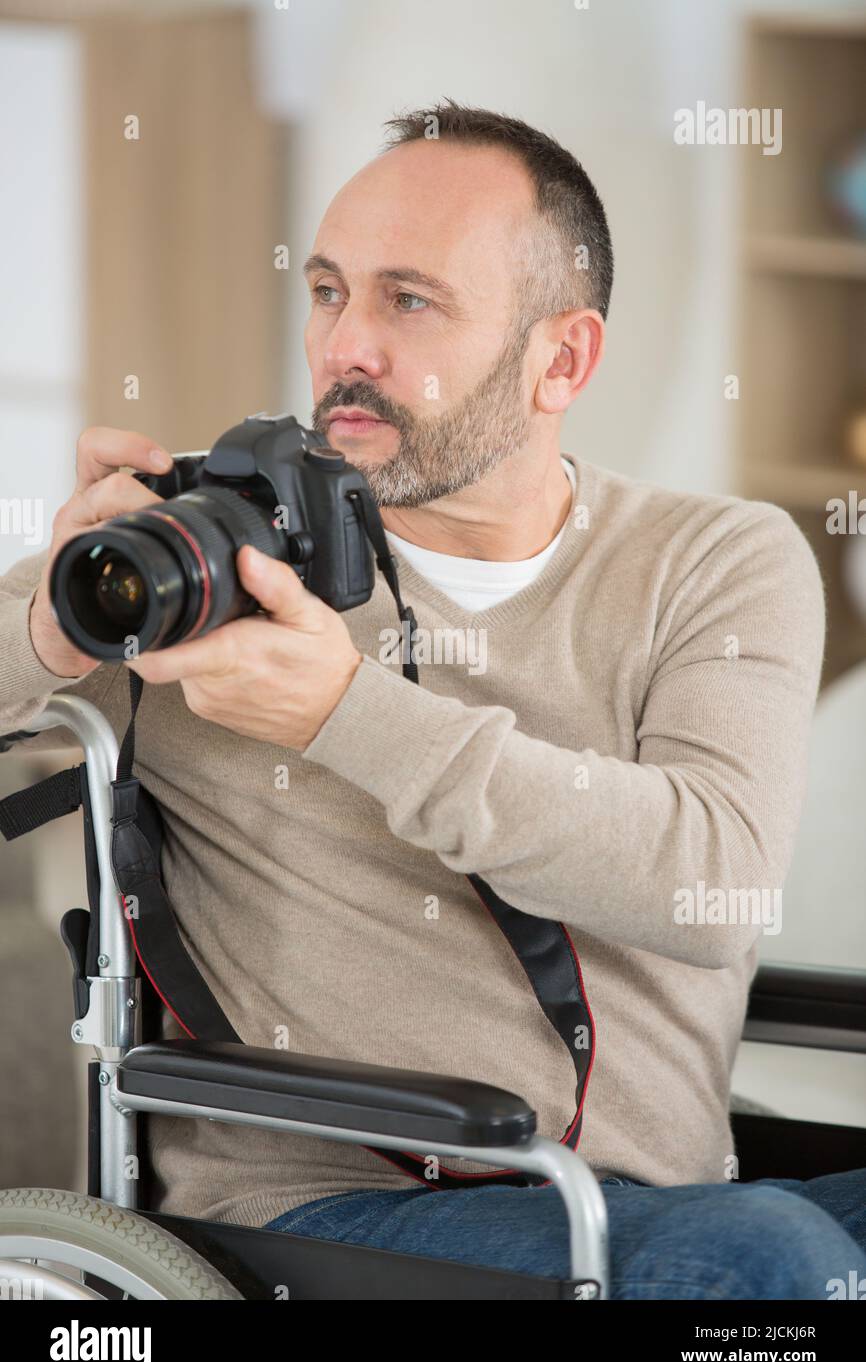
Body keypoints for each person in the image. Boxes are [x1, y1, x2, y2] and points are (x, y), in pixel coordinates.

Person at [1, 100, 861, 1300]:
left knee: (761, 1253)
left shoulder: (713, 559)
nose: (346, 345)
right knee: (770, 1263)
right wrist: (50, 610)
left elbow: (705, 879)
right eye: (328, 292)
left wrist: (342, 713)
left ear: (561, 358)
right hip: (328, 1207)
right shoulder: (208, 568)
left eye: (409, 301)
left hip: (662, 1202)